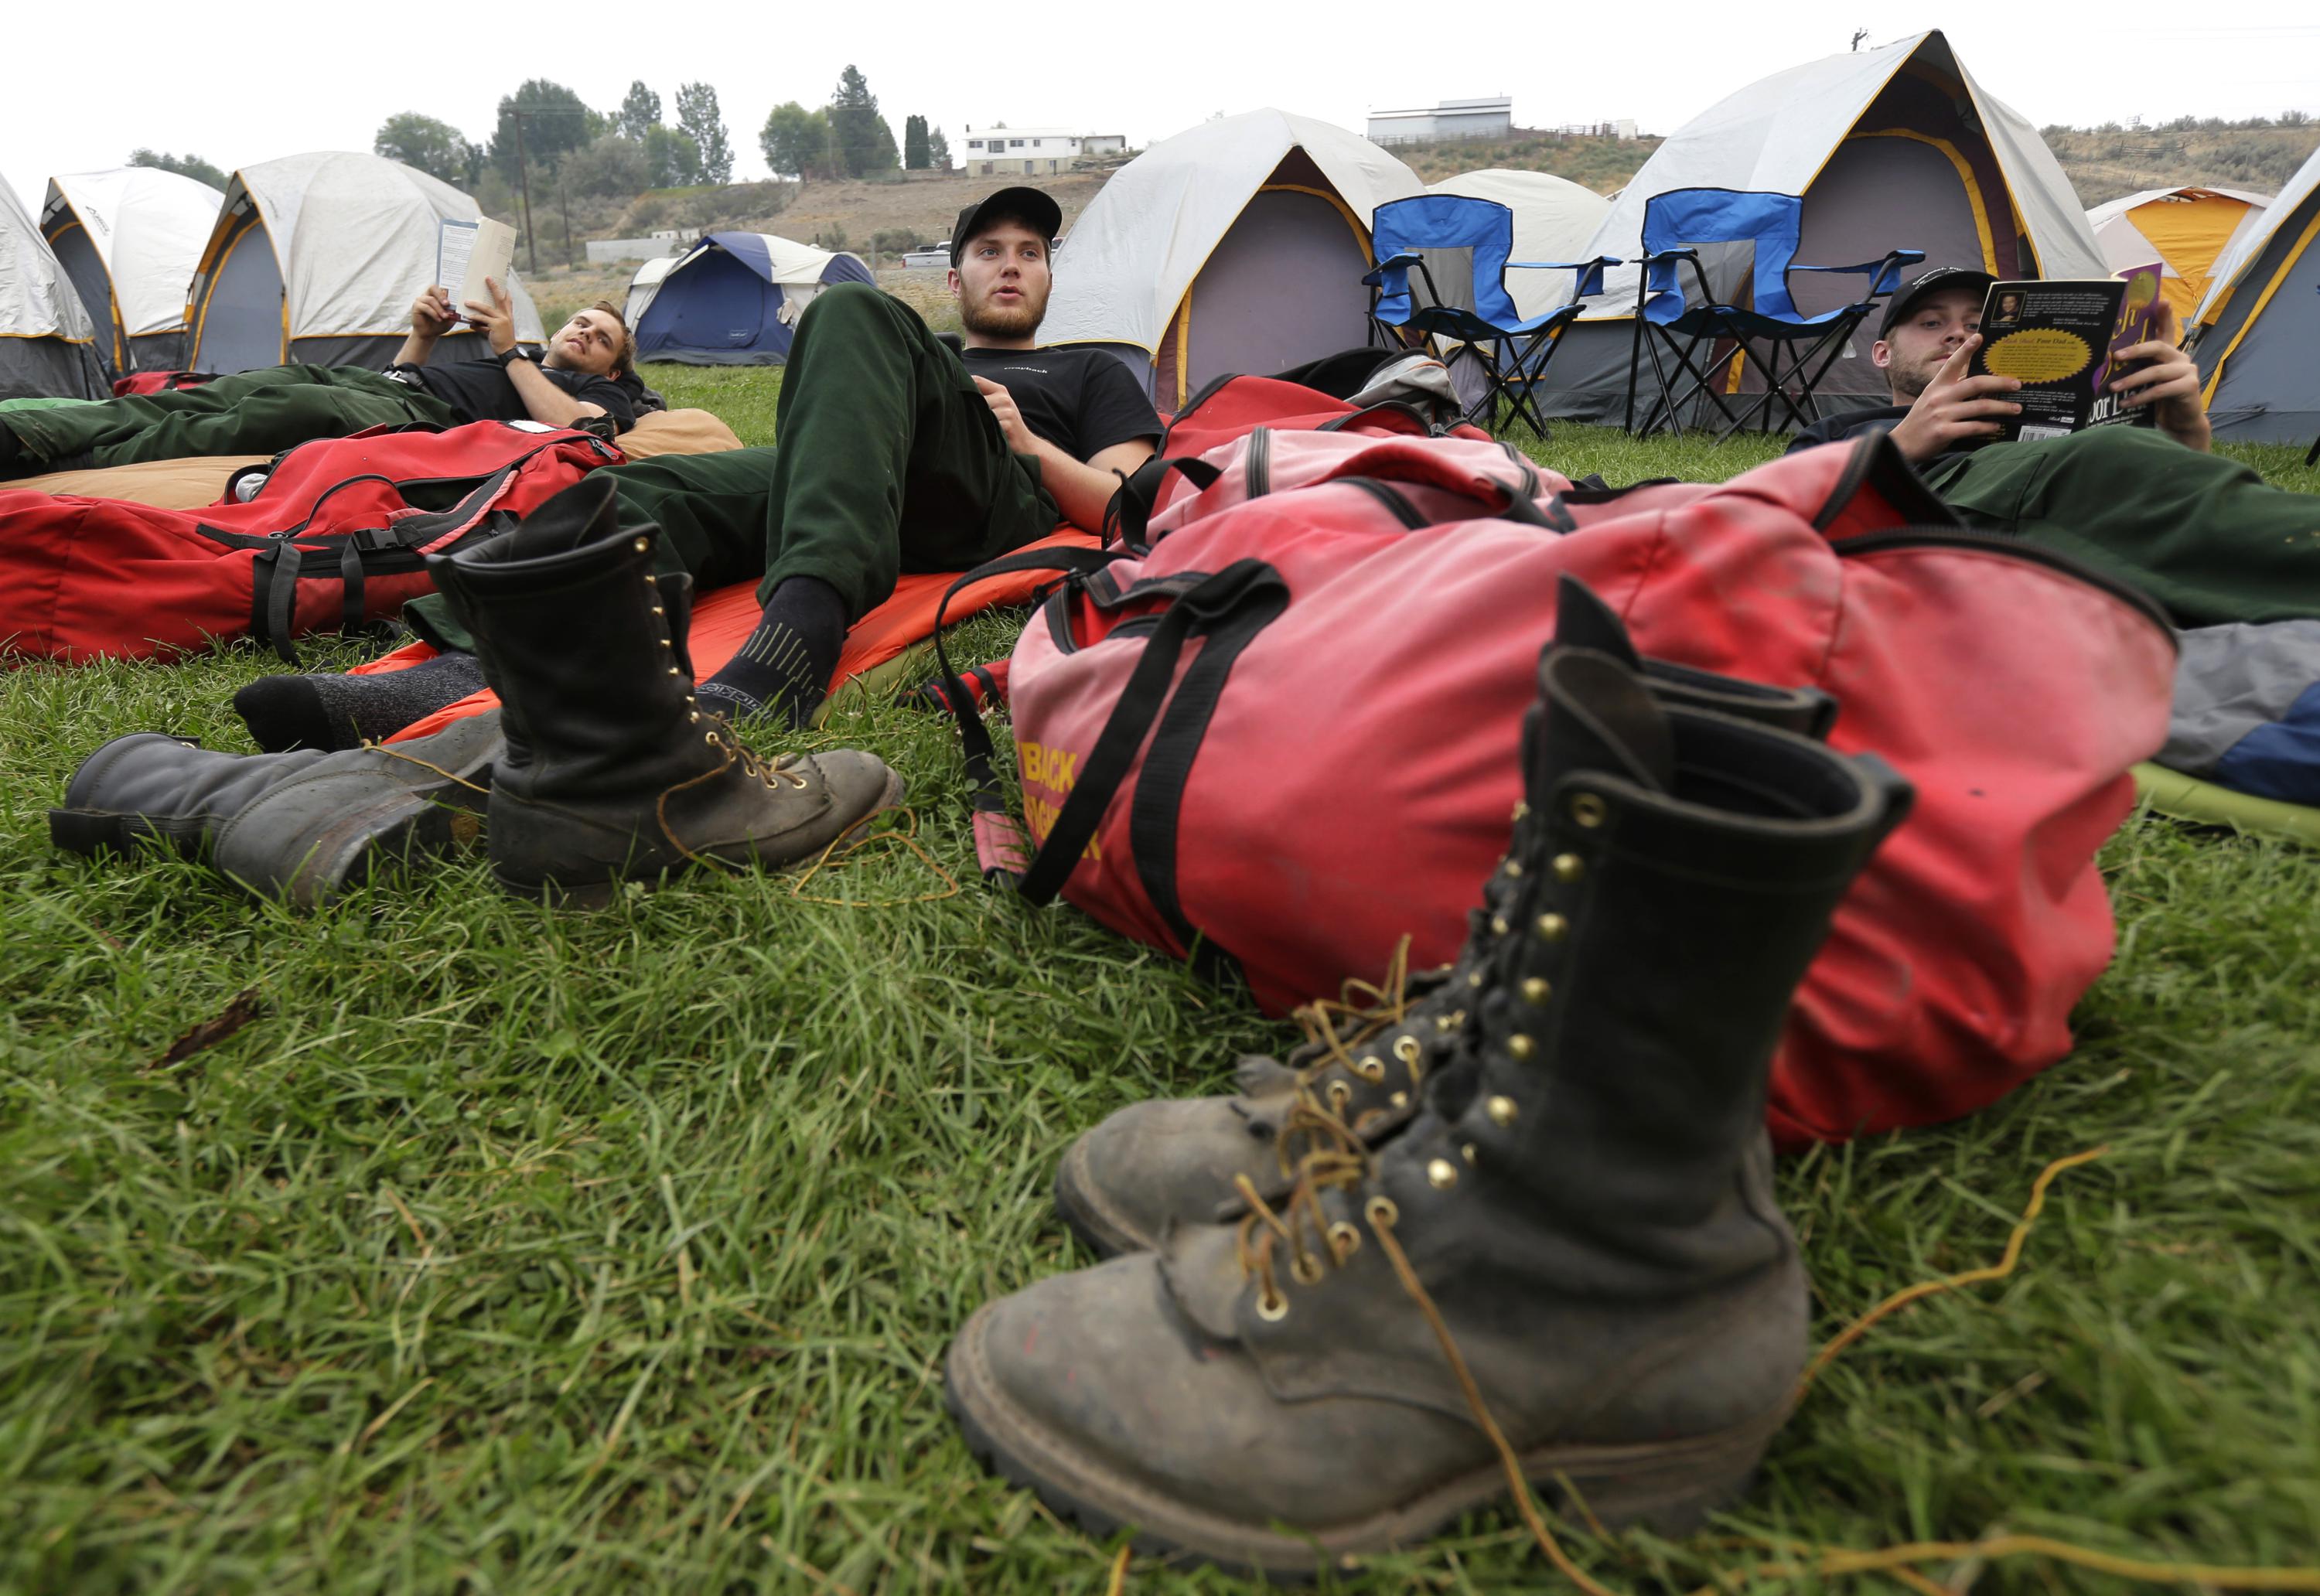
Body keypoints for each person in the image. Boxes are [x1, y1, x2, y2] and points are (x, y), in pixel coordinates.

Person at [235, 186, 1162, 752]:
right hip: (861, 458)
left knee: (852, 312)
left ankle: (799, 635)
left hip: (984, 491)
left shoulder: (1085, 371)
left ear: (1050, 279)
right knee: (652, 487)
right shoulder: (926, 349)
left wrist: (1030, 445)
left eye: (1030, 255)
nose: (1011, 269)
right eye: (989, 253)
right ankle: (468, 661)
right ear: (956, 280)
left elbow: (1127, 506)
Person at [1786, 264, 2320, 627]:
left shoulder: (2075, 428)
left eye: (1979, 325)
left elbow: (2172, 498)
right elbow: (1783, 531)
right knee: (2108, 459)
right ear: (1882, 353)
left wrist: (2185, 433)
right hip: (1970, 502)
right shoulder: (1844, 432)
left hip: (2082, 505)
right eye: (1932, 323)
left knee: (2144, 477)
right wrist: (1901, 446)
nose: (1959, 335)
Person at [0, 284, 650, 480]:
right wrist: (423, 334)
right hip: (372, 381)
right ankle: (25, 429)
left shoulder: (607, 395)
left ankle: (70, 457)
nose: (583, 335)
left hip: (405, 412)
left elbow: (579, 430)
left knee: (263, 413)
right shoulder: (529, 354)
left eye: (600, 340)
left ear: (614, 367)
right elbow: (404, 369)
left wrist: (510, 353)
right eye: (581, 323)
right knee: (205, 395)